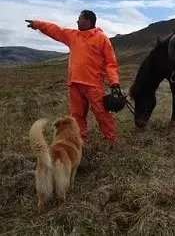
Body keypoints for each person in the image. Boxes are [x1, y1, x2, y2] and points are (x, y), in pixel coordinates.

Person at [25, 10, 121, 143]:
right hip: (75, 84)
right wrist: (37, 24)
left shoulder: (101, 38)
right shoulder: (73, 35)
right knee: (76, 117)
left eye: (79, 18)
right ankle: (80, 143)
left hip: (94, 85)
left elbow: (111, 63)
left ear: (88, 21)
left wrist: (114, 83)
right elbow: (56, 30)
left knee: (102, 114)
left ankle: (112, 141)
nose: (77, 21)